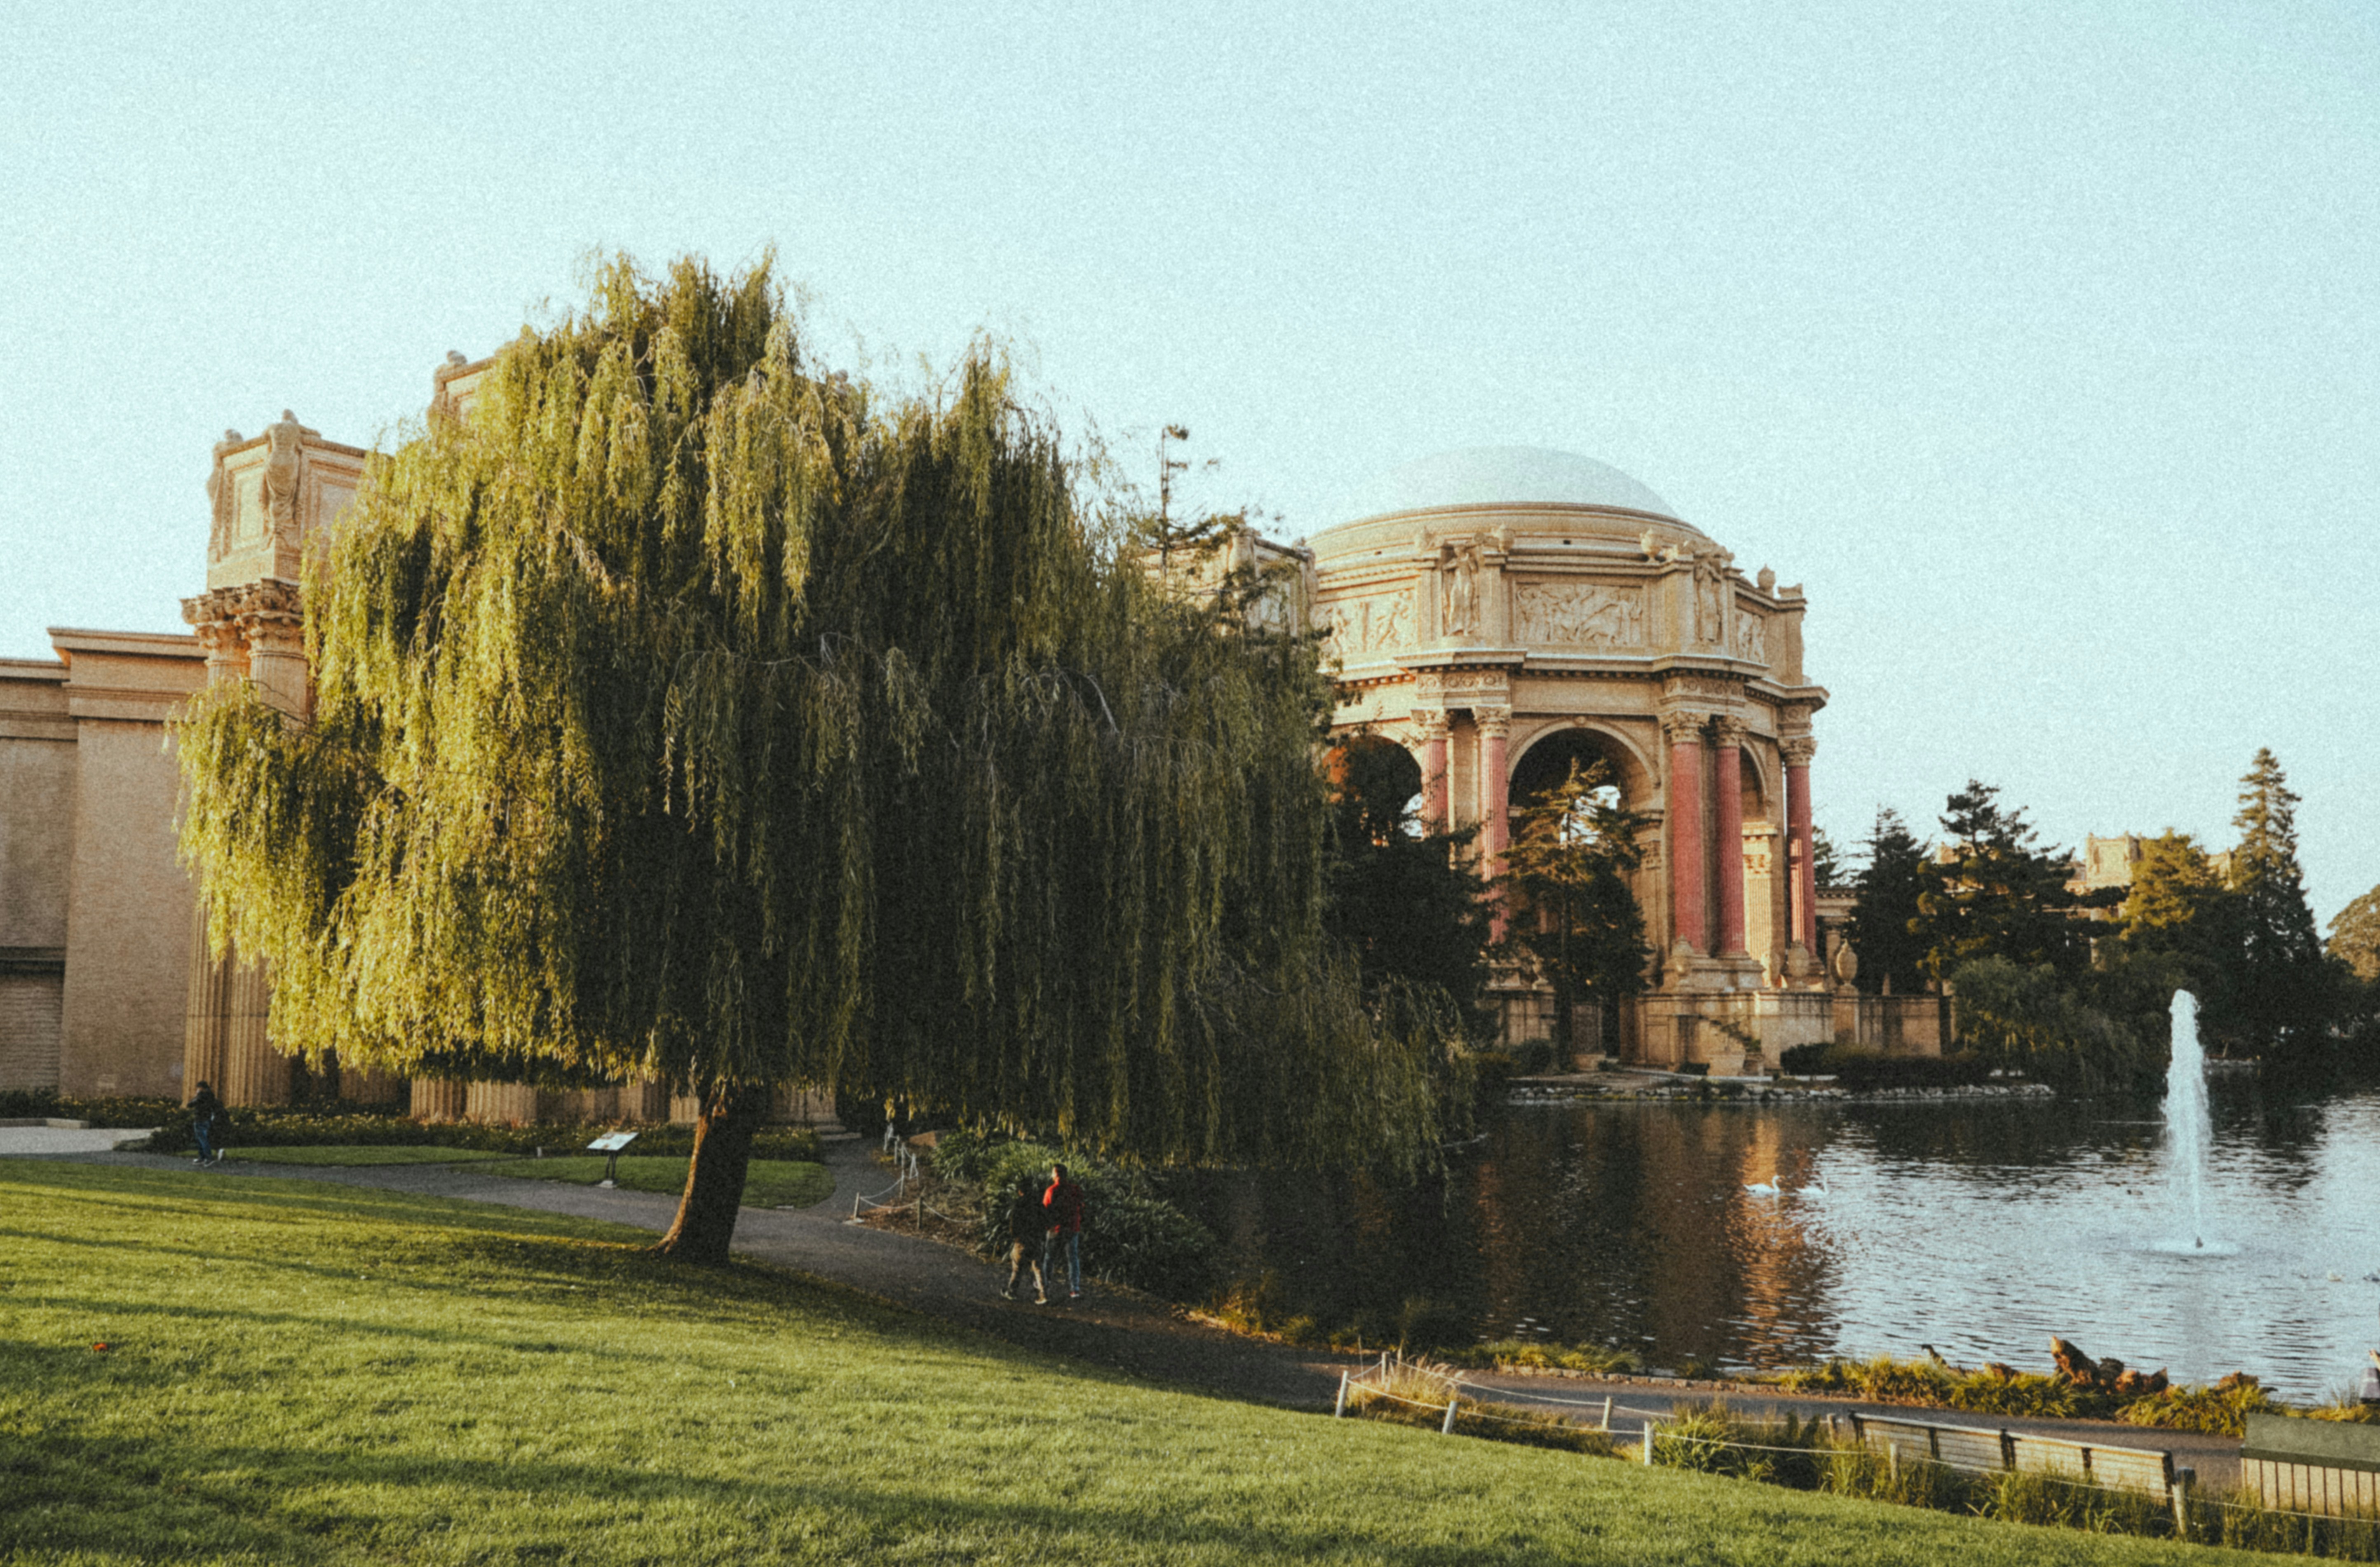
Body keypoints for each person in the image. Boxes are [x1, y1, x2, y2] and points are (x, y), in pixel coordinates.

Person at [1041, 1162, 1086, 1302]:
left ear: (1056, 1175)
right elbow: (1082, 1207)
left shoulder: (1051, 1191)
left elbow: (1045, 1210)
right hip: (1073, 1227)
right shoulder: (1076, 1189)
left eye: (1053, 1173)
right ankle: (1075, 1289)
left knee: (1049, 1257)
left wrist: (1046, 1226)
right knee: (1073, 1258)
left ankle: (1044, 1284)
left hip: (1057, 1228)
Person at [1000, 1177, 1046, 1304]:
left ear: (1020, 1191)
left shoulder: (1019, 1204)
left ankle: (1012, 1292)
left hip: (1022, 1240)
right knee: (1037, 1267)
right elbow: (1046, 1220)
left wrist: (1016, 1237)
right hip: (1036, 1239)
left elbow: (1013, 1224)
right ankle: (1043, 1294)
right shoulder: (1038, 1203)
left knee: (1017, 1267)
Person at [188, 1082, 224, 1166]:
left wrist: (197, 1095)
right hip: (207, 1119)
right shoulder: (211, 1096)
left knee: (202, 1140)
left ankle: (207, 1158)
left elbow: (190, 1104)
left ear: (201, 1088)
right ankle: (203, 1158)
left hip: (200, 1119)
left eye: (198, 1088)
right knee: (201, 1139)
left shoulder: (201, 1096)